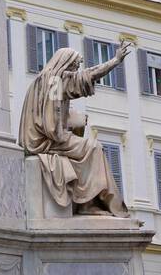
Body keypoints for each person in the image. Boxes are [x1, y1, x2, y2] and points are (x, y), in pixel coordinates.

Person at [18, 43, 133, 215]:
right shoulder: (54, 82)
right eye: (73, 67)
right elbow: (52, 118)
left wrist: (114, 62)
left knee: (87, 147)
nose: (74, 72)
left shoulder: (43, 80)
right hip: (44, 141)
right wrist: (115, 61)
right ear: (65, 64)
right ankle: (88, 203)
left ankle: (90, 201)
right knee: (93, 148)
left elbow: (86, 76)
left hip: (36, 137)